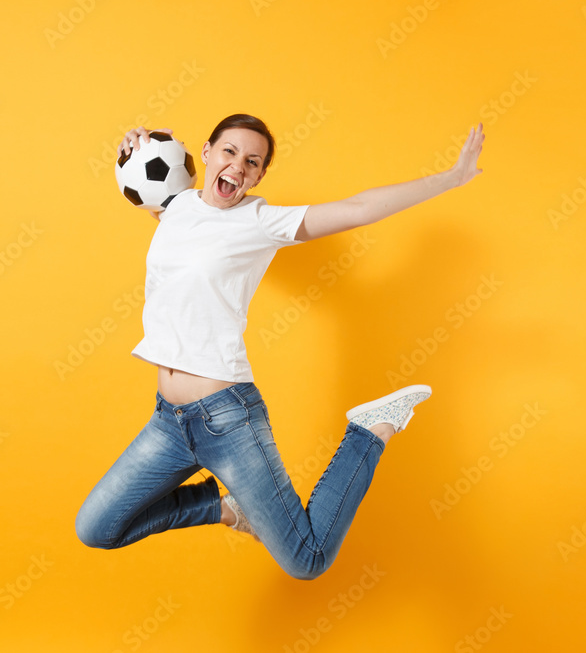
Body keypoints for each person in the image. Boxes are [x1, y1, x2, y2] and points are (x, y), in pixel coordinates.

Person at [75, 114, 484, 580]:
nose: (238, 167)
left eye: (253, 162)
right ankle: (224, 507)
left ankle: (369, 430)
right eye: (229, 152)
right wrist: (133, 144)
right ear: (205, 154)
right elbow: (147, 178)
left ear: (261, 174)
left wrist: (450, 178)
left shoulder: (260, 222)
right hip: (169, 422)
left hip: (227, 419)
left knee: (307, 560)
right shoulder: (177, 206)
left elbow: (358, 208)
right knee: (98, 527)